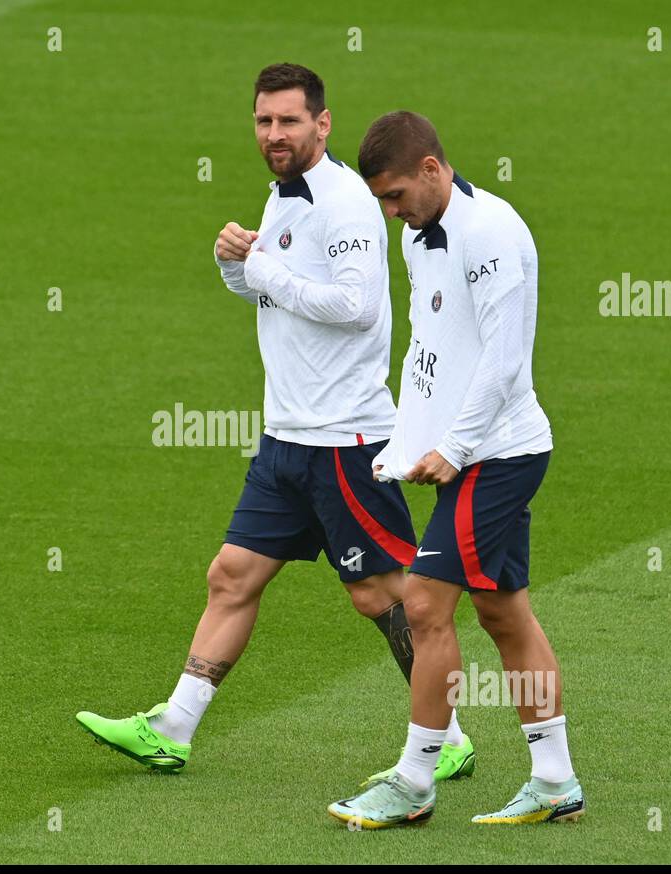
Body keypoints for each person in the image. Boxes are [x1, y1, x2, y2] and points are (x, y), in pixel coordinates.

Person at [76, 68, 473, 780]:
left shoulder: (348, 204)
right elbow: (269, 293)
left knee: (381, 595)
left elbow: (356, 308)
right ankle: (172, 727)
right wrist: (234, 263)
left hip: (344, 440)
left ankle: (447, 738)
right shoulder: (281, 196)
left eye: (289, 122)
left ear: (322, 124)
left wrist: (262, 271)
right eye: (263, 122)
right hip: (287, 437)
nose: (274, 135)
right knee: (231, 576)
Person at [328, 111, 583, 828]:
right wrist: (407, 442)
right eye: (381, 200)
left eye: (397, 195)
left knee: (425, 605)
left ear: (434, 170)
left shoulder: (493, 235)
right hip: (471, 455)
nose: (391, 211)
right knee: (504, 612)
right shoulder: (419, 236)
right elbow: (429, 347)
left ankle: (413, 782)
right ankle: (556, 779)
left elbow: (505, 361)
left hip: (501, 456)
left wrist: (455, 447)